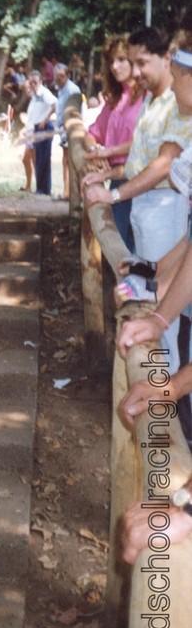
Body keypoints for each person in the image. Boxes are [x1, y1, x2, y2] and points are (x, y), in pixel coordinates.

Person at [83, 26, 192, 377]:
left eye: (142, 63)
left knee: (166, 328)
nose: (136, 71)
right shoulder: (153, 98)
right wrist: (109, 173)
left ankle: (167, 412)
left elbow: (161, 166)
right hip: (148, 213)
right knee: (151, 306)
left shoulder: (178, 106)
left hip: (163, 209)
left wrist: (114, 193)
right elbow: (141, 153)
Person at [81, 34, 145, 250]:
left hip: (143, 183)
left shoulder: (148, 97)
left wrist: (107, 153)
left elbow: (142, 142)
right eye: (111, 61)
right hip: (118, 181)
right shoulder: (114, 100)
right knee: (121, 252)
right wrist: (94, 149)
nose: (115, 67)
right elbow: (91, 133)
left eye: (121, 59)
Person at [26, 70, 57, 196]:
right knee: (39, 158)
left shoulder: (44, 92)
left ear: (40, 81)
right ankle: (41, 187)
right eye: (31, 82)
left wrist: (45, 119)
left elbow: (55, 104)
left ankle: (44, 189)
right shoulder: (35, 95)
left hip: (44, 127)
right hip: (37, 128)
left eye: (35, 82)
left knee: (43, 159)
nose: (33, 84)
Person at [54, 63, 81, 201]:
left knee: (70, 161)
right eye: (57, 76)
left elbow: (76, 111)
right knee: (65, 160)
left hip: (70, 129)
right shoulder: (61, 89)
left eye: (62, 76)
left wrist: (69, 127)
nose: (59, 79)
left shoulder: (72, 89)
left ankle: (71, 193)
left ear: (67, 76)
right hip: (62, 129)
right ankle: (66, 192)